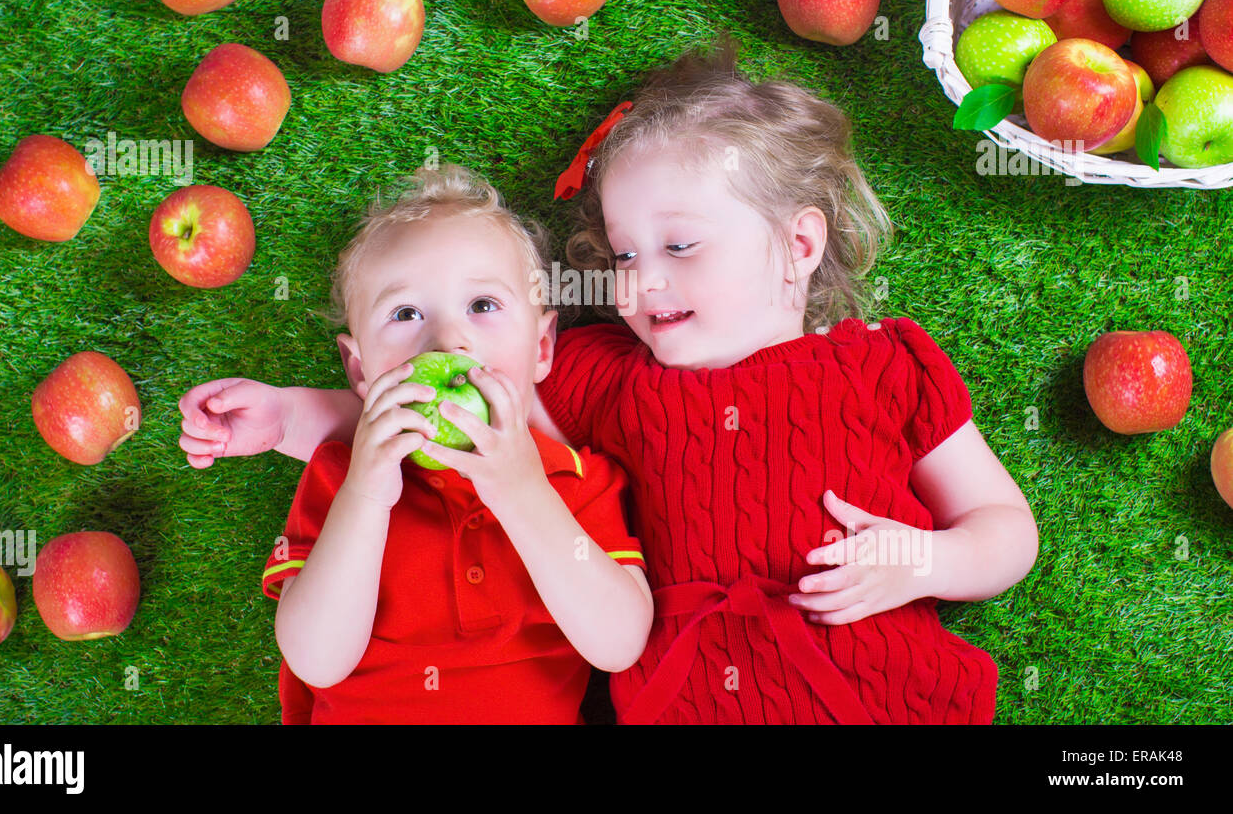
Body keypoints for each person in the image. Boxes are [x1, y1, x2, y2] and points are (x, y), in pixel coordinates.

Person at [180, 35, 1038, 724]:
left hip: (883, 692)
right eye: (624, 254)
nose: (638, 281)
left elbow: (1006, 529)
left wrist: (924, 560)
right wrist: (289, 417)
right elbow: (457, 400)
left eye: (679, 246)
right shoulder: (608, 379)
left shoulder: (883, 366)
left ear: (799, 245)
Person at [226, 164, 652, 723]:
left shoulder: (576, 480)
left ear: (542, 349)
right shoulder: (341, 475)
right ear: (360, 369)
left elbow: (620, 645)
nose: (447, 341)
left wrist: (524, 494)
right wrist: (367, 498)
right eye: (405, 314)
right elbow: (316, 662)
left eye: (483, 306)